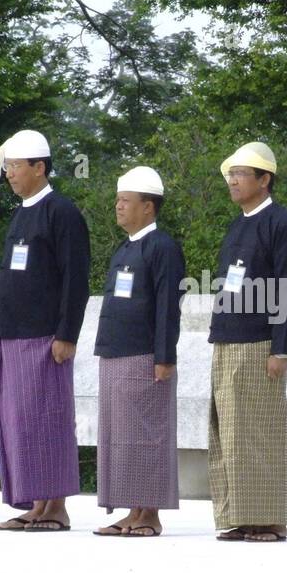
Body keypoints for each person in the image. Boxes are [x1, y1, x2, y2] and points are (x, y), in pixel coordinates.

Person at [0, 130, 90, 533]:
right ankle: (35, 501)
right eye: (8, 167)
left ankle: (56, 505)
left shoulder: (60, 211)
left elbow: (75, 277)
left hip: (45, 335)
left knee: (46, 416)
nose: (10, 174)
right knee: (18, 420)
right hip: (11, 332)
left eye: (16, 166)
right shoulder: (20, 213)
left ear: (40, 167)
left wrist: (67, 332)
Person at [207, 141, 287, 544]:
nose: (232, 180)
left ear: (264, 180)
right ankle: (239, 515)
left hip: (260, 343)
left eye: (241, 174)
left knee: (259, 432)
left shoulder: (281, 224)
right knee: (228, 432)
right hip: (227, 340)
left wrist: (281, 348)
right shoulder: (238, 224)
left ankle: (268, 519)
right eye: (231, 174)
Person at [92, 166, 186, 538]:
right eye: (117, 200)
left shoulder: (162, 247)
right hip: (116, 353)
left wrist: (164, 357)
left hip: (145, 355)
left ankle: (149, 513)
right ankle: (132, 509)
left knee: (146, 434)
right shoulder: (125, 248)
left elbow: (167, 305)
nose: (118, 207)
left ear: (148, 207)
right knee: (120, 435)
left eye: (125, 201)